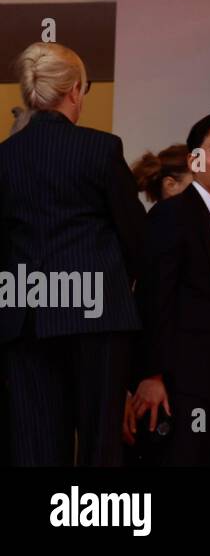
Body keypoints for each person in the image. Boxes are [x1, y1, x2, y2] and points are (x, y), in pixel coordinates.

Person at [0, 42, 144, 465]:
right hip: (95, 313)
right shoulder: (101, 149)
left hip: (24, 316)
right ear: (75, 91)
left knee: (34, 446)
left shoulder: (4, 157)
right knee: (100, 443)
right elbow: (136, 237)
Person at [128, 109, 210, 465]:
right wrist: (151, 374)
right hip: (176, 382)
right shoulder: (172, 214)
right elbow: (152, 297)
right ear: (194, 159)